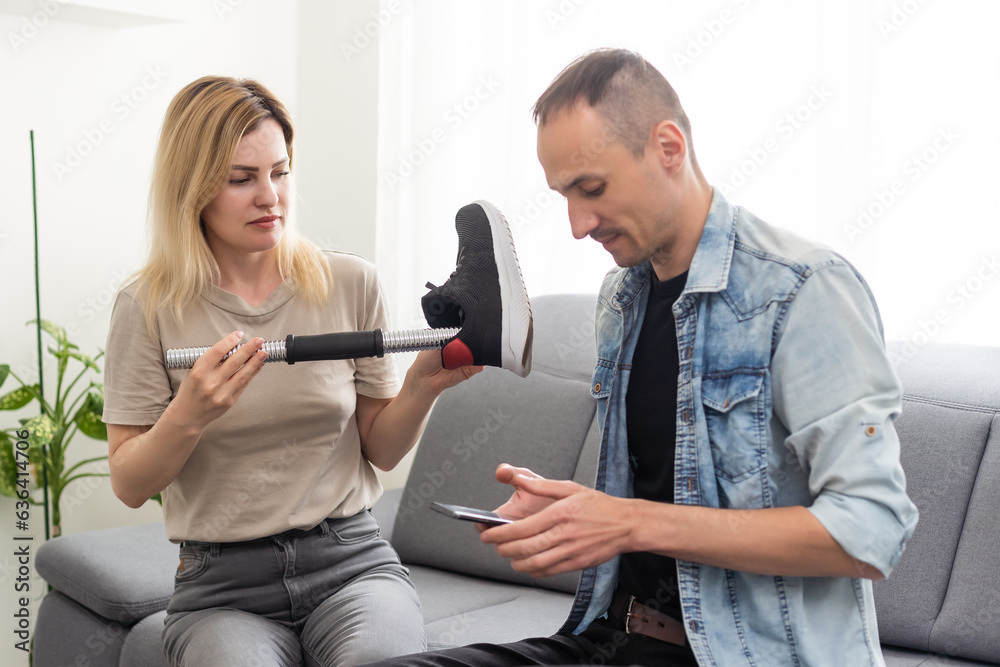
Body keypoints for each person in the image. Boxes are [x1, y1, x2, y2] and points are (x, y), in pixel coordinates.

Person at [362, 48, 919, 667]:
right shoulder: (622, 298)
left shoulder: (803, 291)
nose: (577, 224)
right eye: (563, 195)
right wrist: (578, 512)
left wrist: (627, 521)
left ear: (668, 147)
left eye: (592, 188)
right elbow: (665, 491)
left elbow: (871, 530)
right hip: (613, 639)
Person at [102, 76, 519, 667]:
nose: (269, 196)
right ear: (191, 188)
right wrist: (188, 416)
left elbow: (380, 447)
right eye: (241, 178)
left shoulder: (349, 282)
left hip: (350, 561)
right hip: (222, 589)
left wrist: (422, 386)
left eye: (281, 170)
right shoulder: (147, 307)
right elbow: (129, 483)